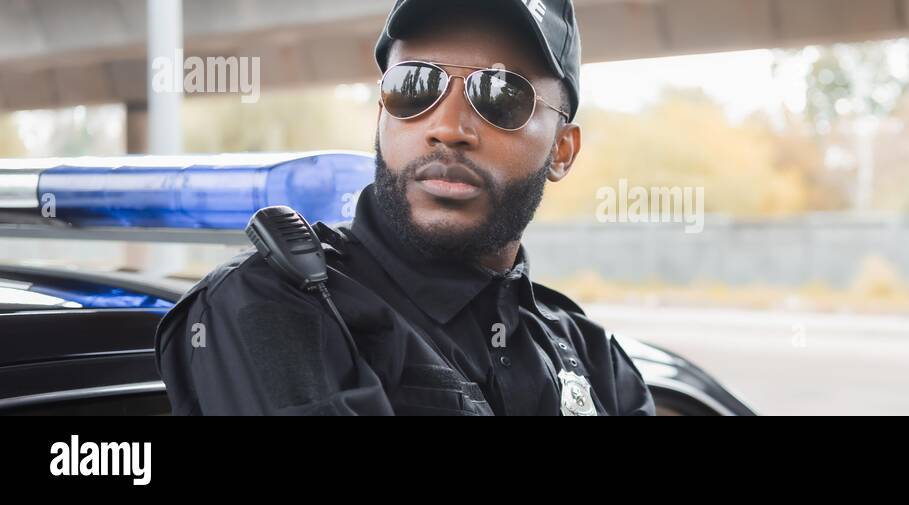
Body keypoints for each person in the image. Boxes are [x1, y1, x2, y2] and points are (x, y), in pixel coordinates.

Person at [155, 0, 655, 416]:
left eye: (502, 96)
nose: (448, 127)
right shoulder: (271, 305)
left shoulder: (592, 358)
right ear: (381, 116)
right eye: (414, 87)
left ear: (562, 151)